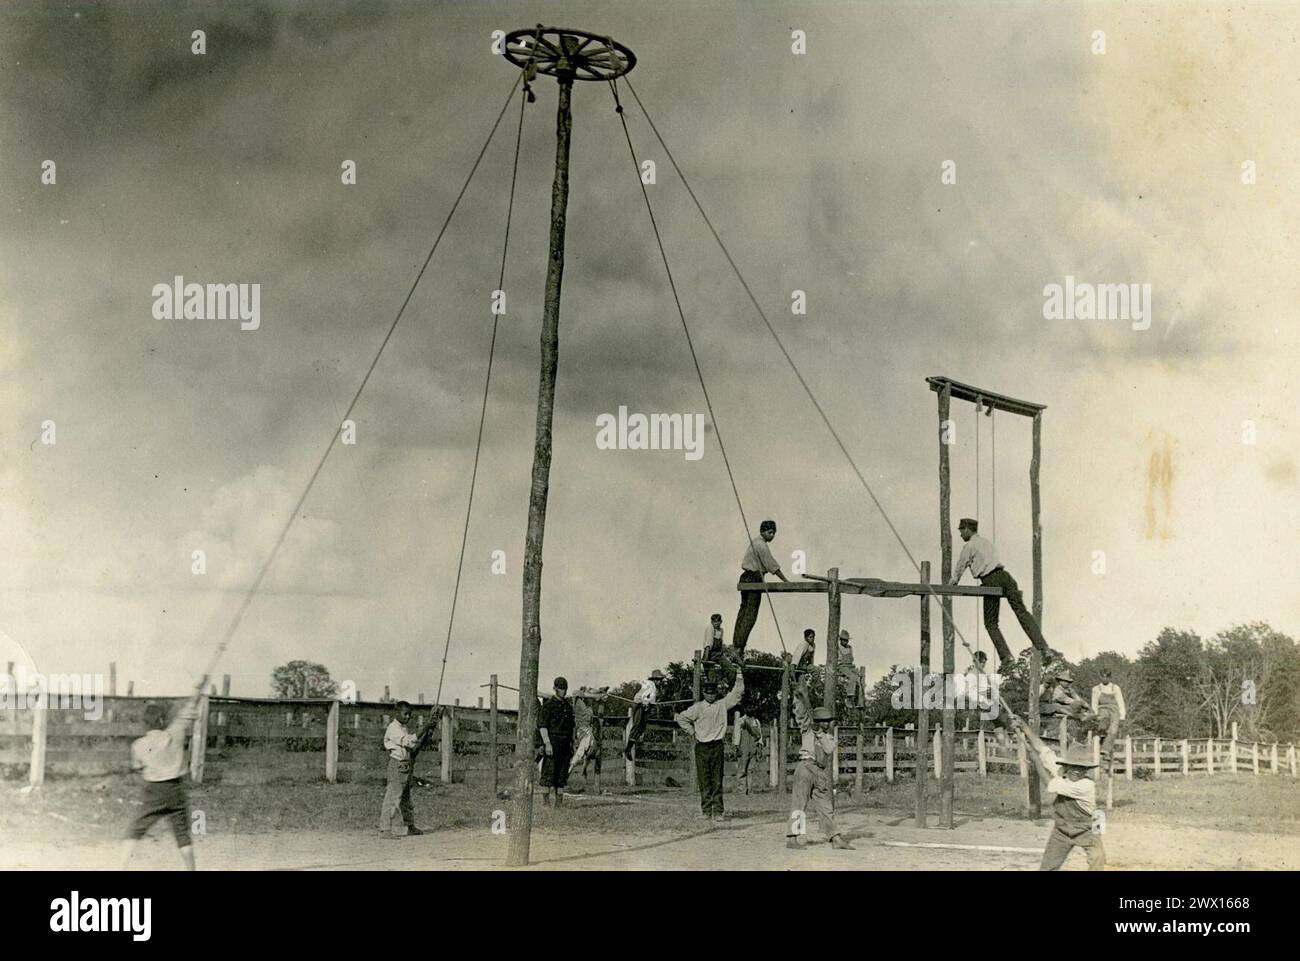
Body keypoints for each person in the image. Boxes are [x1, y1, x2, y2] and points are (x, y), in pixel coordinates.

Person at [946, 518, 1054, 669]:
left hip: (990, 579)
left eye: (961, 531)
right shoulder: (987, 543)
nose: (960, 534)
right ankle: (1044, 649)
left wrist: (952, 585)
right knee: (1022, 613)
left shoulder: (969, 546)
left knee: (990, 623)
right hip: (1006, 577)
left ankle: (1006, 657)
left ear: (967, 530)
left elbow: (960, 567)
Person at [1011, 714, 1105, 870]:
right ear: (1066, 766)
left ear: (1086, 770)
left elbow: (1050, 783)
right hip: (1061, 831)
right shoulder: (1062, 772)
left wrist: (1035, 761)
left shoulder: (1086, 785)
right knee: (1047, 868)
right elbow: (1043, 749)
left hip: (1087, 830)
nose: (1076, 771)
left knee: (1098, 860)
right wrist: (1023, 727)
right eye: (1073, 766)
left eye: (1081, 768)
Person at [120, 694, 202, 869]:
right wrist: (197, 691)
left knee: (135, 829)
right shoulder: (175, 732)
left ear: (145, 723)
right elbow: (187, 713)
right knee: (182, 833)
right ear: (163, 720)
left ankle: (120, 868)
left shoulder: (139, 744)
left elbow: (137, 766)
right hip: (176, 788)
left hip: (153, 790)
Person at [786, 677, 853, 850]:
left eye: (827, 721)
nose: (826, 723)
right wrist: (799, 695)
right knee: (799, 804)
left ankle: (835, 838)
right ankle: (793, 838)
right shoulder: (807, 728)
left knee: (825, 806)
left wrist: (820, 734)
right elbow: (801, 712)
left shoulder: (828, 736)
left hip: (820, 772)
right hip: (806, 767)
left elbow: (829, 749)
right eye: (824, 720)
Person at [674, 654, 744, 821]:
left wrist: (740, 674)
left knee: (717, 780)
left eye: (713, 693)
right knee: (704, 780)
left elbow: (737, 694)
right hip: (702, 747)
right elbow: (681, 718)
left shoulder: (721, 705)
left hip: (717, 746)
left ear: (716, 694)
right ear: (704, 693)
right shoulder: (697, 708)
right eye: (708, 693)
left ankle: (718, 811)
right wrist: (692, 732)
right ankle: (706, 811)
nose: (711, 695)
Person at [378, 700, 436, 839]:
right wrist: (426, 726)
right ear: (396, 713)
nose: (408, 717)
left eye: (410, 714)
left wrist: (427, 732)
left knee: (405, 799)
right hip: (397, 765)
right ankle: (385, 829)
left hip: (406, 765)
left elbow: (412, 747)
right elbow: (409, 741)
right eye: (405, 714)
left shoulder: (403, 727)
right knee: (393, 798)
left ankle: (410, 826)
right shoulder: (393, 729)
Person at [733, 519, 790, 653]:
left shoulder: (755, 542)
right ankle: (739, 646)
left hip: (745, 577)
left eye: (774, 533)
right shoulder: (761, 545)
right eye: (770, 532)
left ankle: (736, 645)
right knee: (750, 614)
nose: (772, 536)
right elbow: (771, 565)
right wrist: (785, 581)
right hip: (754, 577)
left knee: (743, 611)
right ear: (763, 532)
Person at [539, 677, 576, 805]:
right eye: (560, 688)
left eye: (565, 688)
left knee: (562, 773)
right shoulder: (548, 705)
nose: (563, 691)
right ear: (555, 688)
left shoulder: (568, 706)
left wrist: (572, 744)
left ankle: (559, 804)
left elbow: (572, 727)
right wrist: (547, 743)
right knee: (549, 771)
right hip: (552, 741)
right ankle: (546, 803)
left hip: (565, 743)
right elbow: (543, 726)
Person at [568, 685, 611, 781]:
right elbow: (577, 692)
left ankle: (583, 768)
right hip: (582, 730)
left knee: (592, 748)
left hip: (588, 729)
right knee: (581, 750)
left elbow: (598, 700)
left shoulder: (589, 705)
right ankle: (568, 772)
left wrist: (602, 694)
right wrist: (596, 695)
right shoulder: (577, 701)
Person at [624, 669, 665, 760]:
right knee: (637, 725)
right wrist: (645, 703)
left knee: (642, 728)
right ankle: (628, 748)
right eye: (658, 680)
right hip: (639, 705)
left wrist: (651, 705)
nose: (660, 682)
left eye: (660, 680)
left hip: (645, 707)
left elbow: (653, 700)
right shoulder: (650, 685)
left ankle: (631, 745)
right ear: (654, 680)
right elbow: (641, 696)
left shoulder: (656, 688)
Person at [1090, 668, 1127, 761]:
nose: (1105, 679)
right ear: (1100, 677)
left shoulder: (1115, 688)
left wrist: (1122, 715)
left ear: (1110, 677)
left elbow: (1120, 701)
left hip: (1114, 710)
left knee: (1113, 730)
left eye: (1107, 677)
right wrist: (1094, 715)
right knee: (1103, 722)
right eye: (1103, 677)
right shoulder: (1096, 689)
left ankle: (1105, 750)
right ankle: (1101, 737)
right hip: (1102, 709)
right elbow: (1094, 703)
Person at [733, 710, 765, 795]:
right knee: (742, 770)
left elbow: (760, 735)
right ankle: (742, 790)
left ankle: (750, 790)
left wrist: (760, 746)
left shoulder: (756, 722)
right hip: (744, 747)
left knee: (751, 769)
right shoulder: (741, 721)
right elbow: (737, 733)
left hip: (753, 747)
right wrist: (737, 746)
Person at [836, 629, 860, 704]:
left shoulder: (850, 648)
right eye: (844, 640)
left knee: (859, 677)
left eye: (847, 640)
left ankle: (857, 699)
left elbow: (851, 658)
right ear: (841, 640)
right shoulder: (838, 648)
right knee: (852, 677)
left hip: (850, 666)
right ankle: (849, 697)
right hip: (842, 666)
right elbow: (839, 660)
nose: (846, 642)